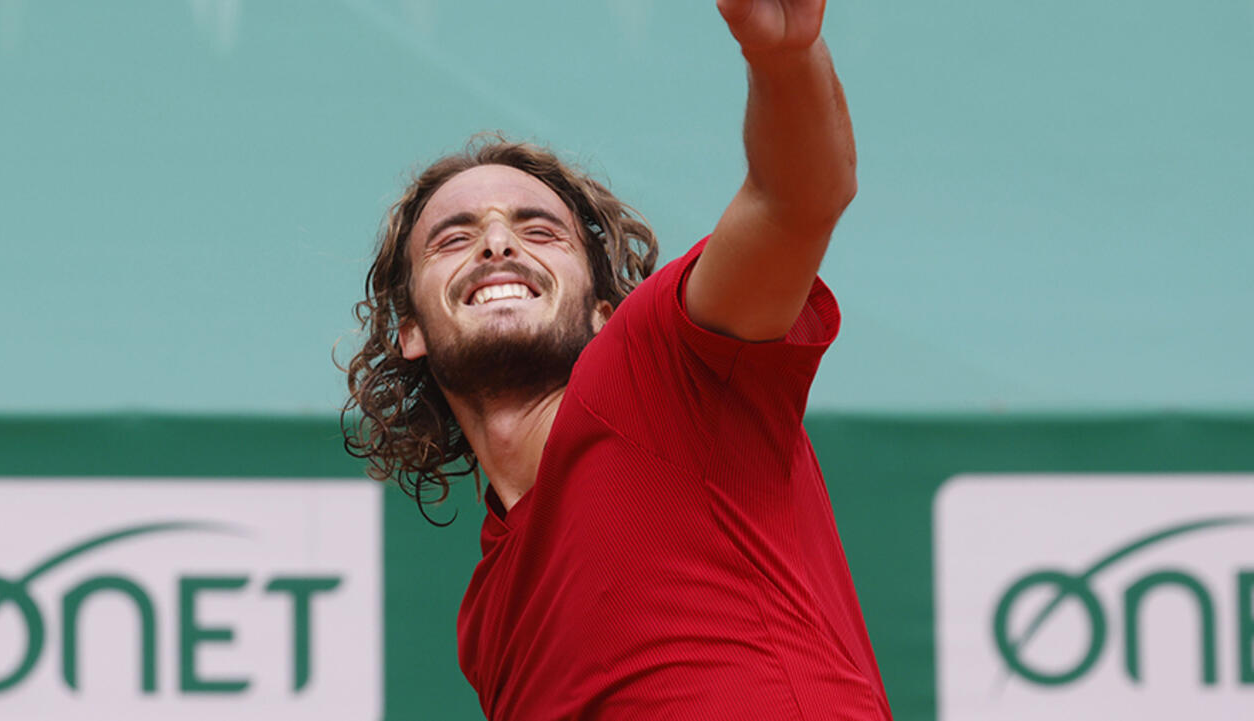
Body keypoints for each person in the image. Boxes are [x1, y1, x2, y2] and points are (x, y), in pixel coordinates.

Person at [343, 1, 891, 718]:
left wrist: (783, 58)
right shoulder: (485, 618)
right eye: (452, 238)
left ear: (606, 312)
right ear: (409, 330)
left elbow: (797, 198)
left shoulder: (655, 369)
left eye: (540, 230)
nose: (498, 244)